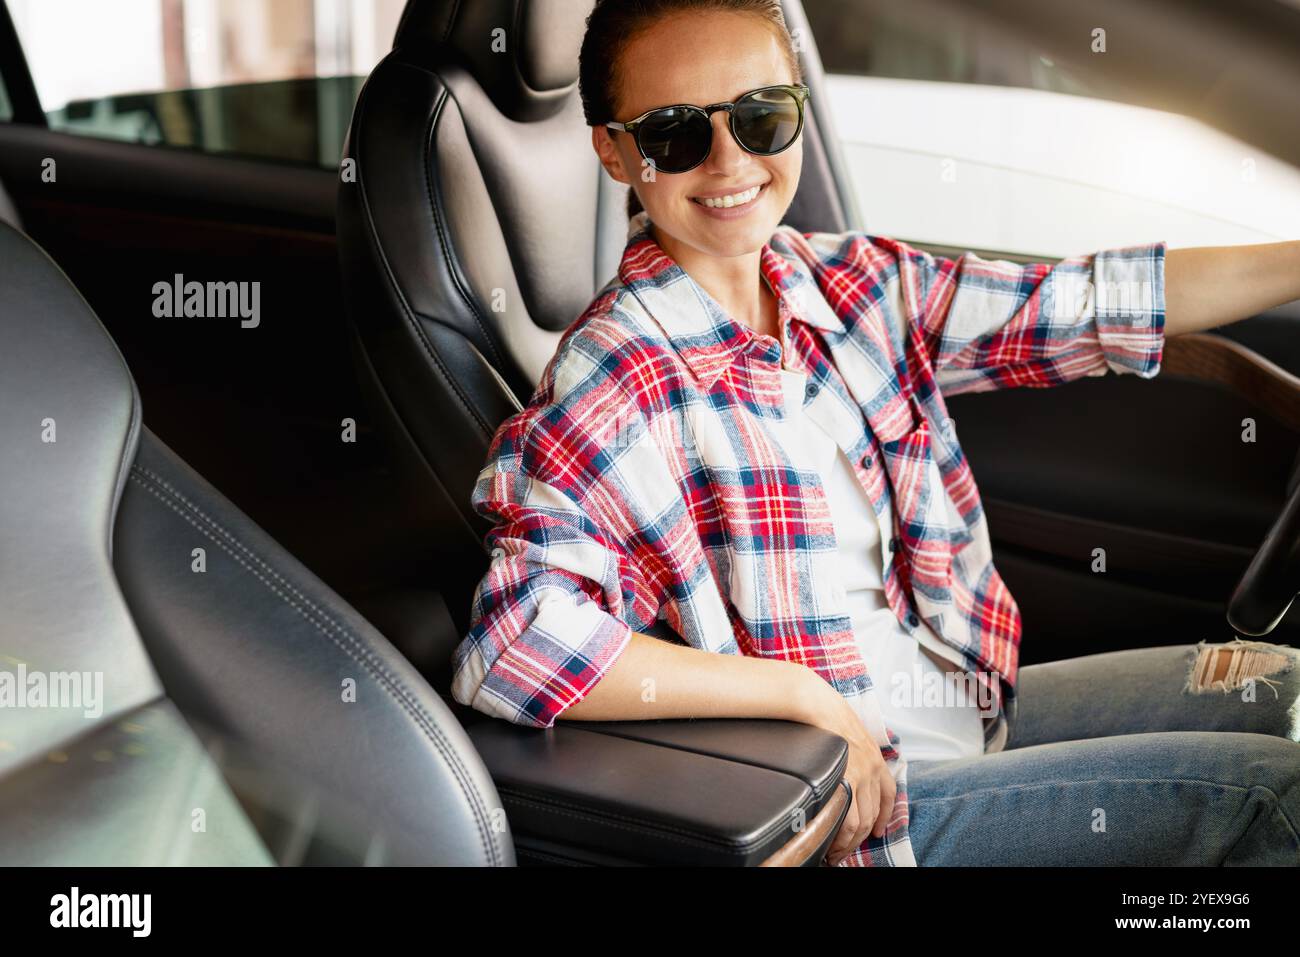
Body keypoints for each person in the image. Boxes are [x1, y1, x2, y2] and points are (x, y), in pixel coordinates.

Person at [450, 0, 1300, 866]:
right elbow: (515, 641)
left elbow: (1081, 306)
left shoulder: (848, 284)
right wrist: (800, 698)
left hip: (968, 708)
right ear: (615, 150)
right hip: (875, 817)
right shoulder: (616, 369)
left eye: (761, 117)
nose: (729, 160)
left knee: (1287, 690)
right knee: (1276, 795)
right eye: (674, 134)